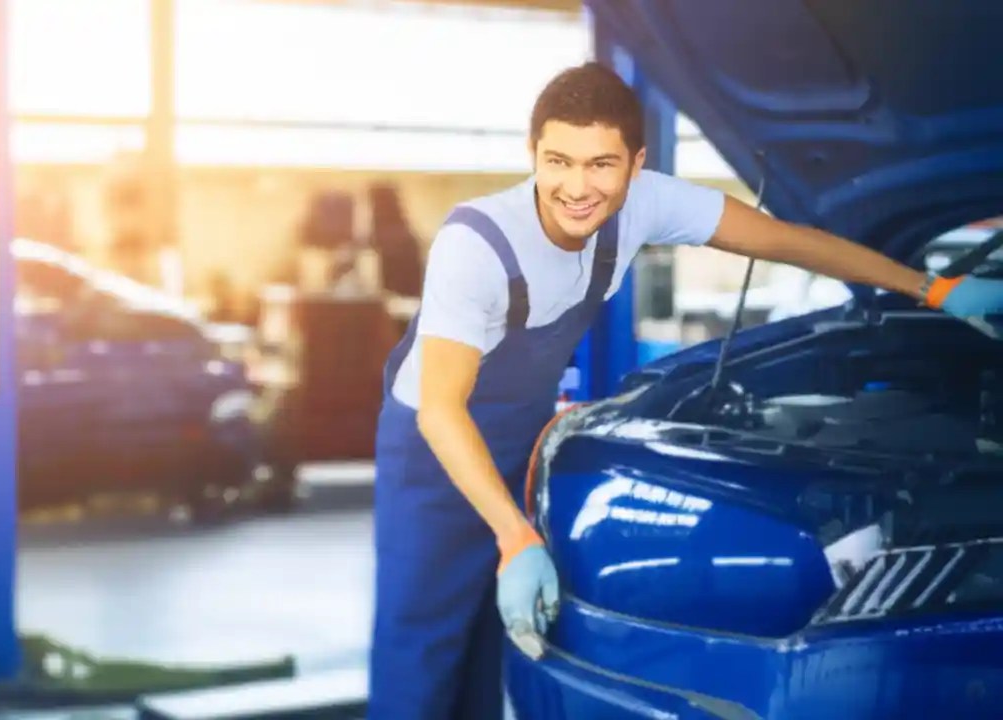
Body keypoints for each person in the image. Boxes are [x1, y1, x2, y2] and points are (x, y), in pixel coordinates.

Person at [367, 62, 1003, 719]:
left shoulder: (646, 204)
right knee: (422, 651)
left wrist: (935, 289)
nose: (577, 187)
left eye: (601, 165)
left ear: (636, 164)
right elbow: (442, 410)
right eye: (558, 161)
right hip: (433, 458)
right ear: (533, 154)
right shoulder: (475, 244)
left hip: (518, 433)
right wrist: (515, 535)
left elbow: (789, 243)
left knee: (490, 648)